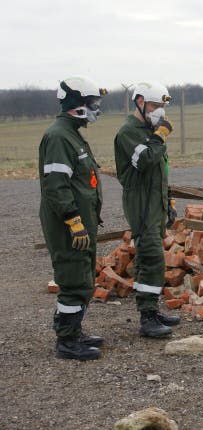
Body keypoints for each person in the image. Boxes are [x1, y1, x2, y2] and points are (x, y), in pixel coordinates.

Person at [39, 76, 107, 360]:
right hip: (68, 224)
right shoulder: (58, 136)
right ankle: (66, 341)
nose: (96, 109)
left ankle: (74, 331)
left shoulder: (73, 133)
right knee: (73, 278)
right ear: (76, 104)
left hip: (80, 220)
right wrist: (73, 220)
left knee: (82, 276)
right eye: (92, 103)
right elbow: (56, 185)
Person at [114, 82, 180, 338]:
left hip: (155, 202)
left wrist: (169, 200)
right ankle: (146, 317)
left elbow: (160, 170)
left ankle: (152, 309)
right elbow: (144, 161)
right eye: (154, 106)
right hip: (141, 204)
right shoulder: (129, 132)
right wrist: (160, 135)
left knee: (152, 256)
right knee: (150, 256)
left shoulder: (150, 131)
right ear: (140, 102)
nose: (159, 112)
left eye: (162, 106)